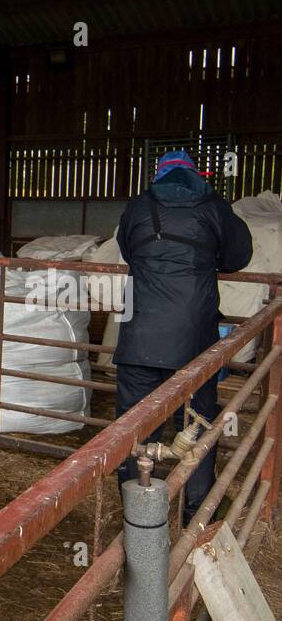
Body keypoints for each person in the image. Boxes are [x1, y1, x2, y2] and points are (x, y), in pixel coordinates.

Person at [115, 150, 252, 524]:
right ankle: (195, 512)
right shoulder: (213, 205)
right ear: (194, 173)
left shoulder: (139, 205)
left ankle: (135, 510)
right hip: (194, 340)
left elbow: (129, 251)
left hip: (139, 337)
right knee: (197, 422)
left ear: (159, 174)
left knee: (134, 426)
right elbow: (239, 256)